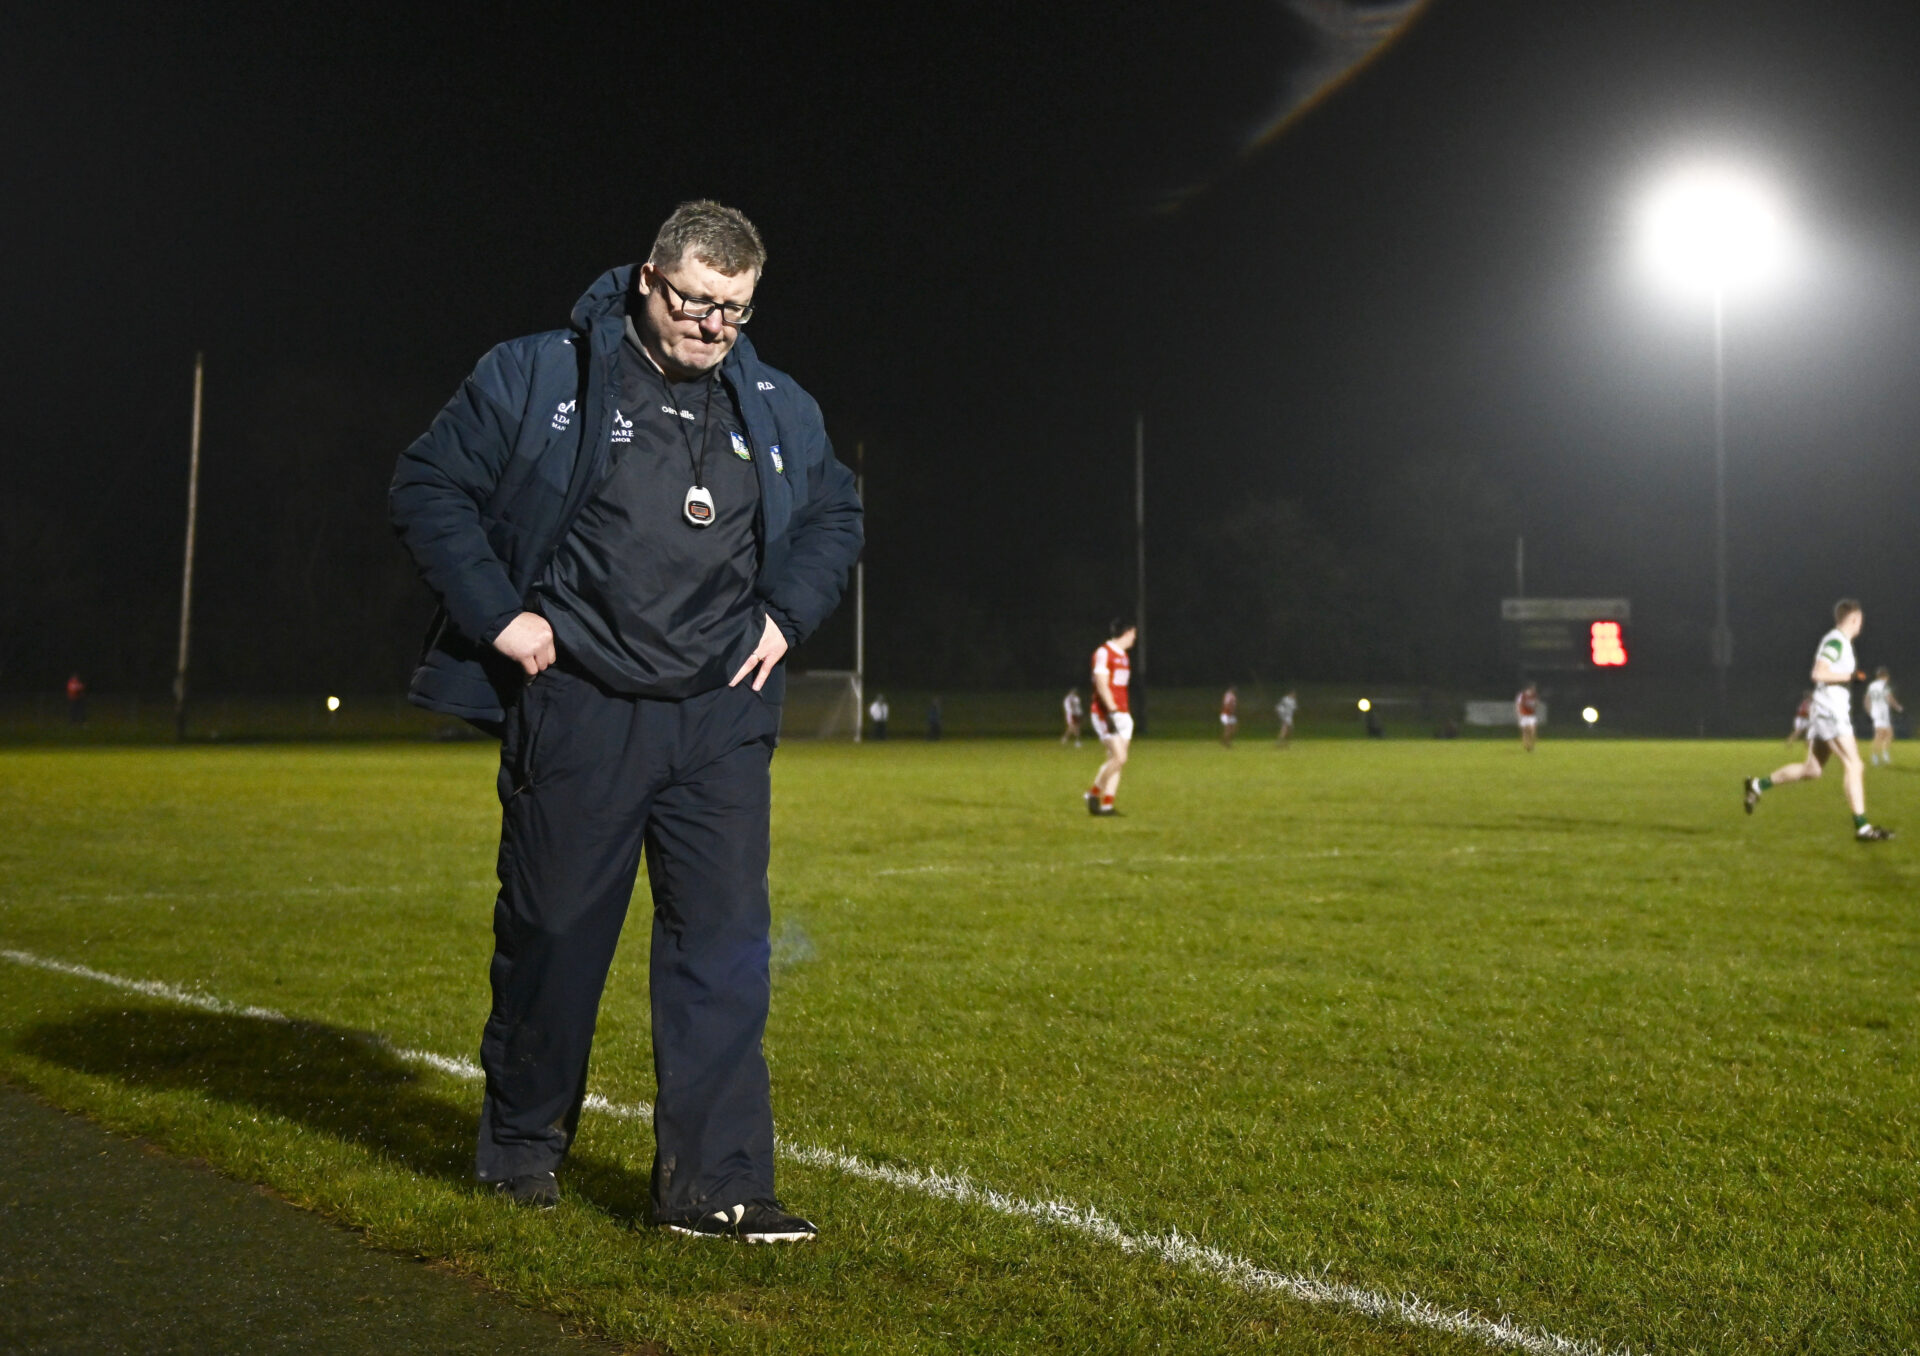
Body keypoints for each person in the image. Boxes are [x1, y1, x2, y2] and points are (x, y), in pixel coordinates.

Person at [389, 201, 863, 1240]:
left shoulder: (776, 405)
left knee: (726, 949)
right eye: (694, 301)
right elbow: (429, 482)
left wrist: (787, 614)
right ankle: (520, 1150)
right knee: (554, 940)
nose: (710, 327)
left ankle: (718, 1185)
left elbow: (837, 510)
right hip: (583, 707)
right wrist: (501, 618)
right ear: (649, 278)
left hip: (720, 721)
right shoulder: (538, 375)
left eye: (733, 311)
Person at [1744, 600, 1893, 842]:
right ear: (1854, 619)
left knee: (1812, 770)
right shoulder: (1835, 641)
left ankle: (1756, 785)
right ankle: (1863, 828)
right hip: (1830, 712)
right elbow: (1818, 673)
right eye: (1860, 620)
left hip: (1825, 711)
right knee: (1854, 764)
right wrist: (1850, 676)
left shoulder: (1840, 642)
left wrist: (1848, 677)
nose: (1861, 625)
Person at [1084, 620, 1136, 816]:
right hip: (1106, 713)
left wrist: (1122, 713)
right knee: (1120, 757)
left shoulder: (1123, 656)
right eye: (1133, 633)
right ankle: (1093, 793)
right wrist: (1113, 711)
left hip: (1123, 713)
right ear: (1126, 632)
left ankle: (1107, 805)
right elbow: (1102, 684)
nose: (1135, 638)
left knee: (1117, 761)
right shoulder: (1104, 652)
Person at [1867, 666, 1903, 765]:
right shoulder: (1884, 685)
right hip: (1882, 713)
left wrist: (1869, 711)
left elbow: (1867, 699)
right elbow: (1889, 698)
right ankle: (1876, 756)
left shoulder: (1872, 685)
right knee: (1881, 735)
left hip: (1876, 712)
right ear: (1885, 676)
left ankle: (1883, 754)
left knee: (1888, 733)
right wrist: (1898, 707)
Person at [1515, 682, 1540, 752]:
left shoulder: (1534, 695)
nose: (1534, 690)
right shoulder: (1522, 695)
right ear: (1529, 688)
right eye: (1533, 688)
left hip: (1531, 716)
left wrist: (1535, 704)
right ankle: (1526, 746)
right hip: (1524, 716)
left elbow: (1536, 704)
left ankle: (1532, 746)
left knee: (1533, 731)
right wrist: (1518, 715)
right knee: (1525, 732)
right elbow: (1518, 705)